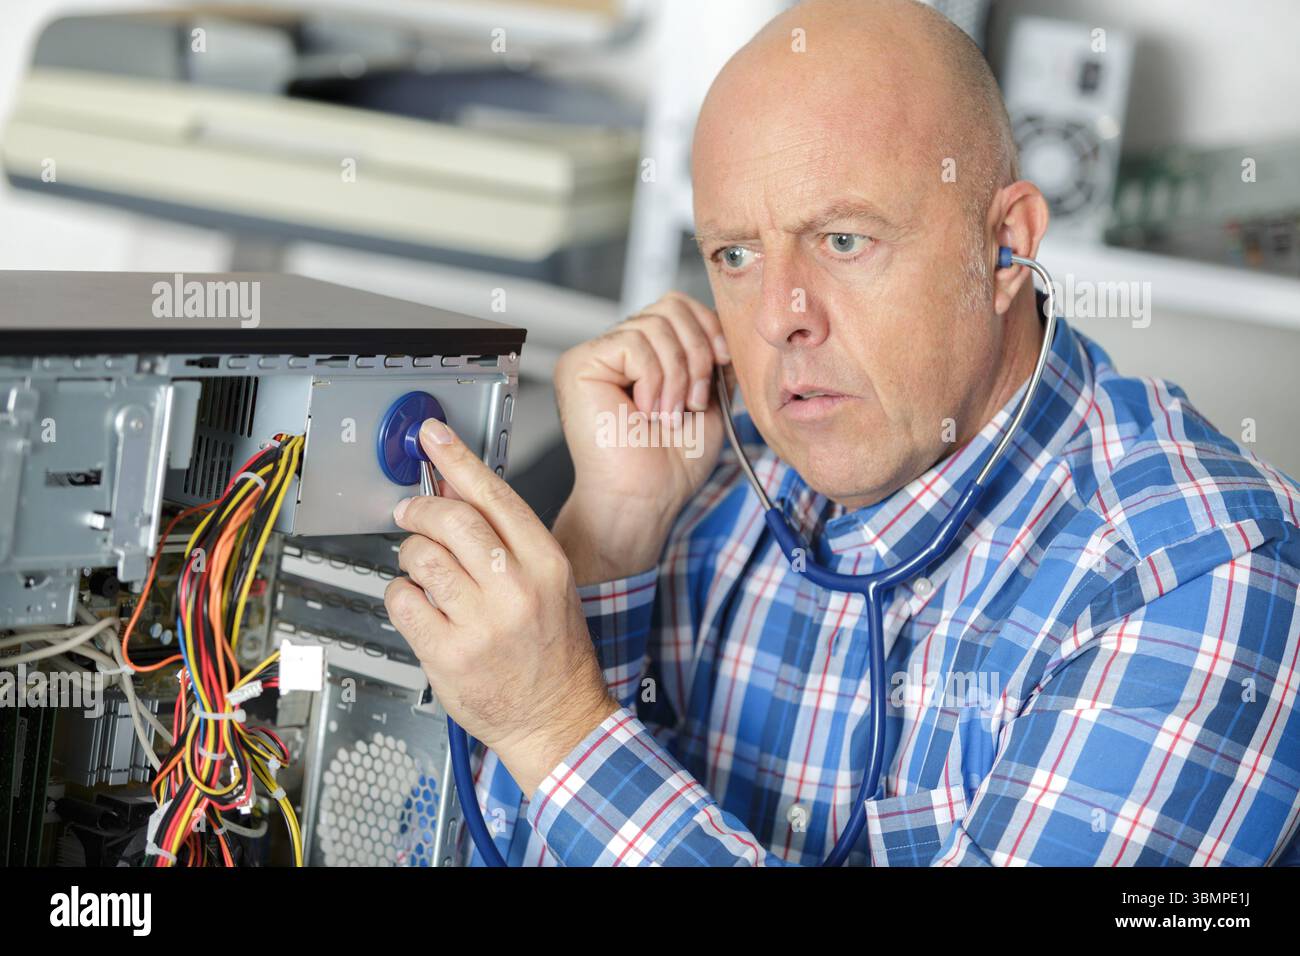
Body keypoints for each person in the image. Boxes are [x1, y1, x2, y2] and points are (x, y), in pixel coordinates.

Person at [384, 0, 1300, 865]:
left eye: (844, 241)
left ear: (1007, 245)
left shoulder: (1199, 573)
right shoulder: (704, 460)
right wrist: (613, 534)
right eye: (736, 255)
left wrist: (559, 730)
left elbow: (556, 760)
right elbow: (492, 840)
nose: (781, 317)